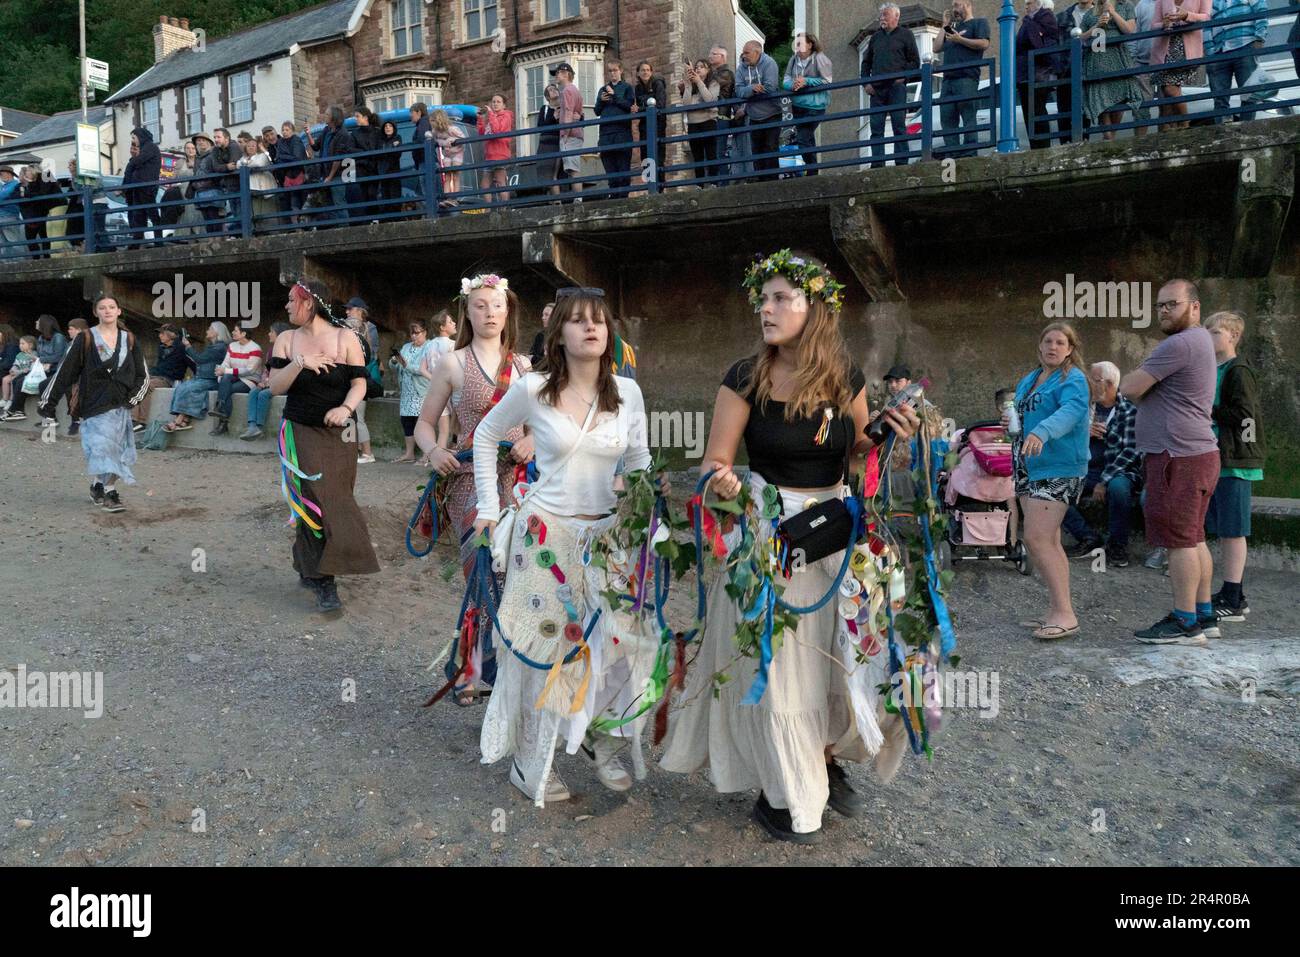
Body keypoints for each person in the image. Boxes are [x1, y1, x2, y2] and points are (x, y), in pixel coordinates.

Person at [660, 250, 921, 844]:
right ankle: (787, 793)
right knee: (776, 667)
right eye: (764, 299)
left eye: (782, 299)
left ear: (816, 309)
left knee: (835, 656)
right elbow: (715, 460)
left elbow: (855, 455)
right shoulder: (744, 376)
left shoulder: (844, 377)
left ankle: (823, 758)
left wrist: (887, 437)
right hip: (766, 532)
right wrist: (721, 480)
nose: (767, 309)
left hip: (832, 529)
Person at [469, 288, 661, 805]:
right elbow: (486, 437)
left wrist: (643, 515)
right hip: (546, 537)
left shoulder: (628, 393)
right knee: (546, 649)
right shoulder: (532, 389)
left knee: (623, 642)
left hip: (607, 538)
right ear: (560, 334)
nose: (590, 329)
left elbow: (639, 460)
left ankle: (603, 737)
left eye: (598, 321)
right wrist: (490, 506)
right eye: (577, 321)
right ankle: (531, 763)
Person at [412, 274, 533, 706]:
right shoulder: (453, 363)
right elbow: (426, 423)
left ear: (508, 310)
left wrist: (531, 440)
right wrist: (433, 451)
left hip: (518, 482)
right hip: (468, 480)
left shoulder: (524, 366)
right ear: (468, 311)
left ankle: (504, 668)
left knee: (517, 576)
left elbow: (542, 424)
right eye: (480, 306)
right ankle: (468, 666)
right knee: (481, 573)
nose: (490, 313)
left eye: (497, 305)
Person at [268, 279, 380, 612]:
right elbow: (274, 386)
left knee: (338, 498)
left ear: (309, 303)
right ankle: (325, 580)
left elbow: (361, 383)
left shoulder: (347, 338)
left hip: (341, 432)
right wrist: (299, 363)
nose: (287, 306)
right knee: (313, 500)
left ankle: (310, 567)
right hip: (299, 430)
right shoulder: (287, 340)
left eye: (292, 300)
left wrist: (344, 409)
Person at [1120, 278, 1219, 645]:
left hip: (1176, 456)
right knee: (1194, 538)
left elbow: (1129, 387)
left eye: (1171, 304)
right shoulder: (1200, 342)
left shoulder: (1179, 343)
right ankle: (1204, 615)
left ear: (1194, 307)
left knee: (1179, 542)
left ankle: (1184, 622)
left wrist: (1139, 376)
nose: (1163, 310)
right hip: (1196, 453)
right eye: (1160, 305)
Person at [1008, 323, 1091, 640]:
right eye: (1048, 341)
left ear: (1070, 348)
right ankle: (1057, 609)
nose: (1053, 346)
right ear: (1039, 346)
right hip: (1030, 466)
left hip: (1059, 466)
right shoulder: (1031, 379)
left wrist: (1042, 431)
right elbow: (1024, 415)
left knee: (1037, 538)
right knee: (1049, 541)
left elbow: (1071, 411)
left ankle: (1066, 614)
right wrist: (1013, 422)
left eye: (1061, 342)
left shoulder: (1074, 379)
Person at [37, 294, 147, 513]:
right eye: (102, 307)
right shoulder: (85, 338)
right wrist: (48, 403)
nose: (107, 311)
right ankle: (110, 492)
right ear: (96, 312)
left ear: (119, 311)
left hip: (120, 406)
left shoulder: (130, 340)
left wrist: (132, 400)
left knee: (117, 450)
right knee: (104, 448)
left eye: (112, 307)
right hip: (93, 406)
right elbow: (65, 372)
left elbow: (142, 375)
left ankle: (97, 485)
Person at [1203, 311, 1264, 625]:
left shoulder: (1238, 370)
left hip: (1235, 461)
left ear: (1233, 336)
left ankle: (1233, 597)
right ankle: (1232, 593)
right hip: (1221, 457)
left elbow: (1244, 414)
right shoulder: (1217, 369)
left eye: (1216, 333)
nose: (1209, 337)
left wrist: (1205, 410)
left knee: (1233, 530)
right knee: (1226, 529)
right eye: (1207, 332)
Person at [1061, 361, 1141, 566]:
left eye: (1094, 380)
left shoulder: (1129, 412)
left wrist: (1103, 481)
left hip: (1118, 471)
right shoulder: (1084, 409)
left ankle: (1118, 546)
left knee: (1119, 488)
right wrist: (1083, 433)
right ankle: (1088, 537)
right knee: (1055, 488)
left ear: (1110, 384)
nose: (1089, 384)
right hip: (1086, 469)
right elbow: (1064, 440)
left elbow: (1131, 451)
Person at [862, 4, 921, 168]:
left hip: (896, 88)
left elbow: (915, 62)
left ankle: (901, 162)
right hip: (877, 89)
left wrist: (903, 76)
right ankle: (877, 163)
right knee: (876, 127)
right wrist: (866, 83)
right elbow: (866, 62)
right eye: (881, 15)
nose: (882, 18)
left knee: (899, 125)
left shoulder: (906, 35)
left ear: (896, 17)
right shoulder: (875, 37)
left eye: (885, 15)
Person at [934, 0, 992, 157]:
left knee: (968, 117)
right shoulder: (952, 29)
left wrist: (961, 40)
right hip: (947, 81)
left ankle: (969, 154)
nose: (954, 9)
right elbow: (936, 47)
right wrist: (944, 25)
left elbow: (984, 43)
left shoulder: (979, 23)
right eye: (953, 6)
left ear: (968, 4)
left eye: (957, 5)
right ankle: (953, 154)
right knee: (946, 118)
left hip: (966, 78)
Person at [1079, 0, 1145, 139]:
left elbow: (1129, 30)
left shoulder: (1125, 6)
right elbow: (1081, 38)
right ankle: (1108, 137)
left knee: (1119, 96)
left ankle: (1111, 137)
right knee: (1100, 97)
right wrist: (1097, 26)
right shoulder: (1091, 12)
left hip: (1119, 58)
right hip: (1096, 60)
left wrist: (1113, 13)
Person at [1150, 0, 1211, 130]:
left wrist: (1187, 15)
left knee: (1170, 89)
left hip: (1186, 50)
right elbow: (1153, 25)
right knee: (1166, 99)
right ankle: (1172, 131)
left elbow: (1206, 17)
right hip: (1163, 52)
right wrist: (1163, 24)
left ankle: (1185, 122)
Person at [1205, 0, 1269, 123]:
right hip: (1219, 51)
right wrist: (1210, 50)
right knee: (1219, 99)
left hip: (1245, 46)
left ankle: (1247, 132)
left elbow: (1261, 11)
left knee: (1249, 95)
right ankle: (1223, 134)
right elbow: (1207, 25)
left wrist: (1260, 38)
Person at [164, 322, 230, 432]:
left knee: (189, 388)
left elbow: (200, 359)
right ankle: (184, 420)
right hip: (202, 378)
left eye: (210, 329)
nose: (207, 331)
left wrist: (188, 346)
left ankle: (178, 421)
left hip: (212, 380)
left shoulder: (220, 347)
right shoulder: (213, 346)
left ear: (216, 332)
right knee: (182, 387)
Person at [783, 32, 833, 175]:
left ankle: (812, 170)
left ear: (810, 45)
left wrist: (806, 81)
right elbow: (785, 79)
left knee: (803, 138)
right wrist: (793, 85)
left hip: (815, 106)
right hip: (798, 106)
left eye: (800, 44)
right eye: (796, 44)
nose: (797, 47)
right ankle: (813, 170)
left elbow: (827, 80)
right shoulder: (793, 60)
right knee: (808, 139)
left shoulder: (821, 59)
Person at [131, 322, 196, 431]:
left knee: (147, 385)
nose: (159, 335)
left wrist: (197, 379)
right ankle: (130, 418)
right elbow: (160, 366)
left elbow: (194, 364)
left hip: (170, 379)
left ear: (170, 335)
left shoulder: (182, 348)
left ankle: (141, 421)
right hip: (157, 376)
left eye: (162, 333)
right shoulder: (161, 347)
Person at [388, 321, 435, 463]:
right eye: (412, 333)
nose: (414, 336)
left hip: (421, 390)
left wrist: (407, 365)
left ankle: (427, 454)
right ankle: (409, 453)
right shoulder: (406, 347)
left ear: (425, 332)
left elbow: (425, 368)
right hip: (406, 391)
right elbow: (394, 366)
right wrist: (395, 362)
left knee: (422, 422)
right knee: (407, 421)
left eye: (417, 333)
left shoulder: (430, 346)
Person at [1018, 0, 1063, 148]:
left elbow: (1036, 41)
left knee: (1037, 110)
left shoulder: (1046, 16)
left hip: (1039, 71)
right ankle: (1036, 146)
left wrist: (1028, 21)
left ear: (1039, 4)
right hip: (1026, 73)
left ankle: (1042, 146)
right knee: (1030, 113)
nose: (1026, 6)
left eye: (1029, 3)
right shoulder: (1029, 20)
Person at [736, 41, 782, 180]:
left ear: (757, 52)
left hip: (772, 113)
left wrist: (749, 91)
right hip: (754, 116)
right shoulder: (741, 68)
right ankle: (760, 183)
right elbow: (738, 91)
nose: (744, 56)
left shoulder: (769, 63)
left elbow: (770, 87)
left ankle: (772, 183)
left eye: (747, 53)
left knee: (770, 148)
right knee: (756, 150)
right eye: (743, 53)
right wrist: (752, 88)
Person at [210, 321, 264, 435]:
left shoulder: (255, 348)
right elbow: (225, 363)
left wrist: (226, 371)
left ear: (244, 333)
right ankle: (221, 413)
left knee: (226, 389)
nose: (232, 332)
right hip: (232, 377)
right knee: (226, 381)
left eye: (235, 330)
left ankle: (221, 417)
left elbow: (250, 370)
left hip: (249, 380)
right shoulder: (232, 346)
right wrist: (221, 371)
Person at [343, 297, 380, 465]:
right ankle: (352, 451)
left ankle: (367, 453)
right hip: (349, 377)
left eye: (350, 309)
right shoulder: (346, 326)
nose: (347, 312)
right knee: (350, 417)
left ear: (359, 310)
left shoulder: (369, 328)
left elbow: (370, 355)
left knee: (359, 417)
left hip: (359, 377)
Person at [240, 321, 291, 440]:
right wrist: (263, 381)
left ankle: (259, 428)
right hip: (270, 383)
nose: (269, 334)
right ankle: (252, 426)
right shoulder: (271, 351)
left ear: (279, 334)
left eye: (271, 332)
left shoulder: (288, 350)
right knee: (253, 392)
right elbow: (266, 371)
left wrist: (270, 382)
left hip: (285, 385)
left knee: (263, 395)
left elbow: (287, 372)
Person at [594, 61, 636, 195]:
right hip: (606, 135)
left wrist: (614, 96)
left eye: (615, 70)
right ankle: (614, 197)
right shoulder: (603, 89)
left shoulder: (627, 88)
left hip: (622, 134)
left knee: (623, 171)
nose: (612, 73)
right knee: (611, 172)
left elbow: (629, 106)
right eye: (610, 71)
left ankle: (623, 198)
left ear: (621, 71)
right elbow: (597, 111)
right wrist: (601, 100)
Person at [678, 59, 721, 185]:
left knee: (711, 155)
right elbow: (686, 105)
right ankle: (699, 185)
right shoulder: (691, 84)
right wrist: (688, 84)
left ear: (708, 70)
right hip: (693, 124)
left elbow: (710, 101)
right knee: (697, 157)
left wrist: (699, 82)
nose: (698, 69)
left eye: (702, 67)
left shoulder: (713, 83)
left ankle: (714, 183)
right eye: (696, 67)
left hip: (708, 122)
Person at [122, 127, 162, 247]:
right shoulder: (146, 147)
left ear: (140, 137)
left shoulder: (150, 147)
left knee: (151, 214)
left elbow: (135, 162)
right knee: (139, 215)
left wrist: (125, 185)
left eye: (134, 138)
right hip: (140, 186)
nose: (134, 141)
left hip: (146, 187)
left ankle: (158, 242)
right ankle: (137, 242)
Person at [553, 63, 586, 199]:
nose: (556, 76)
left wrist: (565, 134)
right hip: (576, 133)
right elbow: (577, 112)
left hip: (570, 135)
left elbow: (568, 113)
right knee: (573, 169)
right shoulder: (575, 90)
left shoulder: (567, 91)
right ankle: (577, 200)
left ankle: (578, 201)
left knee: (573, 170)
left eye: (558, 73)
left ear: (566, 74)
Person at [477, 95, 515, 205]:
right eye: (493, 101)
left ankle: (505, 207)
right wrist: (480, 118)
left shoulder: (506, 116)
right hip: (489, 155)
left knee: (500, 181)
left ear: (504, 105)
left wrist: (491, 115)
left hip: (500, 154)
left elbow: (497, 130)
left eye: (498, 102)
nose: (495, 104)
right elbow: (482, 133)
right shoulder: (491, 117)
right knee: (485, 185)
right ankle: (488, 208)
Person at [633, 62, 669, 177]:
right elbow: (638, 108)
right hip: (644, 125)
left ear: (651, 72)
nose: (645, 72)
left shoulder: (657, 83)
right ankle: (650, 187)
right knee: (646, 156)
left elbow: (660, 105)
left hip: (658, 124)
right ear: (638, 73)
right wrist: (637, 109)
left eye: (648, 70)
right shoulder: (638, 88)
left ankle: (660, 189)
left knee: (658, 156)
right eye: (643, 70)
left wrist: (640, 109)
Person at [236, 131, 278, 226]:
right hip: (253, 189)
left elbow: (259, 164)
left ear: (257, 147)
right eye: (249, 146)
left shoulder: (262, 156)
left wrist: (246, 164)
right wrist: (246, 163)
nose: (251, 147)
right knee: (255, 214)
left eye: (253, 145)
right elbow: (238, 165)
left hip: (266, 189)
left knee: (268, 214)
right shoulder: (243, 158)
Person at [350, 107, 382, 219]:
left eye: (357, 116)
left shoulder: (377, 132)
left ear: (365, 117)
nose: (355, 119)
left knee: (374, 195)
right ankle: (369, 220)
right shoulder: (354, 134)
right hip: (361, 169)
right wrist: (365, 153)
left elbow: (380, 148)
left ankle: (375, 219)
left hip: (375, 169)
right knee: (364, 196)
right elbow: (351, 150)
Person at [276, 120, 310, 225]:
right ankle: (297, 227)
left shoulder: (297, 140)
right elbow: (278, 158)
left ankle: (307, 225)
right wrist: (287, 157)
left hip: (300, 174)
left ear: (292, 131)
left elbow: (298, 158)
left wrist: (284, 157)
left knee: (304, 201)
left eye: (287, 130)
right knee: (293, 203)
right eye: (283, 130)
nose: (284, 132)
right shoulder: (280, 142)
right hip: (289, 176)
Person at [430, 109, 467, 202]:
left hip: (457, 153)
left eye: (432, 121)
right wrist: (444, 142)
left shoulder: (452, 129)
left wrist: (453, 139)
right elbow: (435, 140)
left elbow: (463, 138)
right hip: (446, 154)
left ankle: (455, 198)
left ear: (438, 120)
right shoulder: (435, 131)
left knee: (455, 175)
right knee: (447, 176)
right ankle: (447, 198)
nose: (431, 124)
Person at [535, 85, 564, 199]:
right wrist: (553, 117)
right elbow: (540, 126)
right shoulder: (545, 109)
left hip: (557, 143)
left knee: (554, 174)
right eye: (550, 90)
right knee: (545, 175)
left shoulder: (563, 107)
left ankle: (557, 202)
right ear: (547, 97)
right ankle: (551, 201)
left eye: (555, 88)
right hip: (544, 144)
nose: (554, 90)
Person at [0, 335, 37, 414]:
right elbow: (15, 364)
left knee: (14, 381)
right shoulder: (19, 355)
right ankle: (4, 399)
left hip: (25, 374)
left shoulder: (34, 355)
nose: (20, 345)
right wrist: (12, 370)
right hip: (17, 372)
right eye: (20, 343)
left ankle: (11, 400)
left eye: (23, 343)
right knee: (5, 379)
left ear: (30, 345)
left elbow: (30, 369)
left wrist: (18, 372)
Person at [377, 119, 404, 213]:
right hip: (383, 172)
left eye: (390, 126)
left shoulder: (397, 137)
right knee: (385, 199)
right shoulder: (380, 140)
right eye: (386, 126)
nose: (388, 128)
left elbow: (397, 154)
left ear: (394, 128)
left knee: (395, 197)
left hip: (393, 172)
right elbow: (377, 155)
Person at [0, 163, 23, 259]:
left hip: (9, 216)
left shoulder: (14, 185)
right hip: (5, 216)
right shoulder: (5, 186)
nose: (0, 176)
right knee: (4, 243)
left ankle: (20, 263)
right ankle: (9, 265)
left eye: (1, 174)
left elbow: (1, 197)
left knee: (14, 242)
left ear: (9, 174)